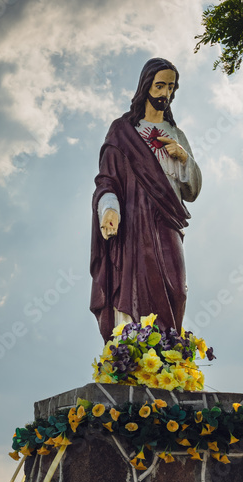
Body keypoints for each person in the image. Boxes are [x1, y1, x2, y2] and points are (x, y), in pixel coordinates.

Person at [90, 58, 202, 342]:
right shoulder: (123, 132)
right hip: (132, 225)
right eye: (160, 85)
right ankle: (133, 349)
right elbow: (107, 180)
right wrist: (109, 210)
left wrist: (183, 159)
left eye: (171, 87)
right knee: (135, 284)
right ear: (146, 86)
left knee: (176, 288)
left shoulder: (177, 136)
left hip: (166, 222)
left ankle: (171, 352)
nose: (165, 93)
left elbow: (192, 191)